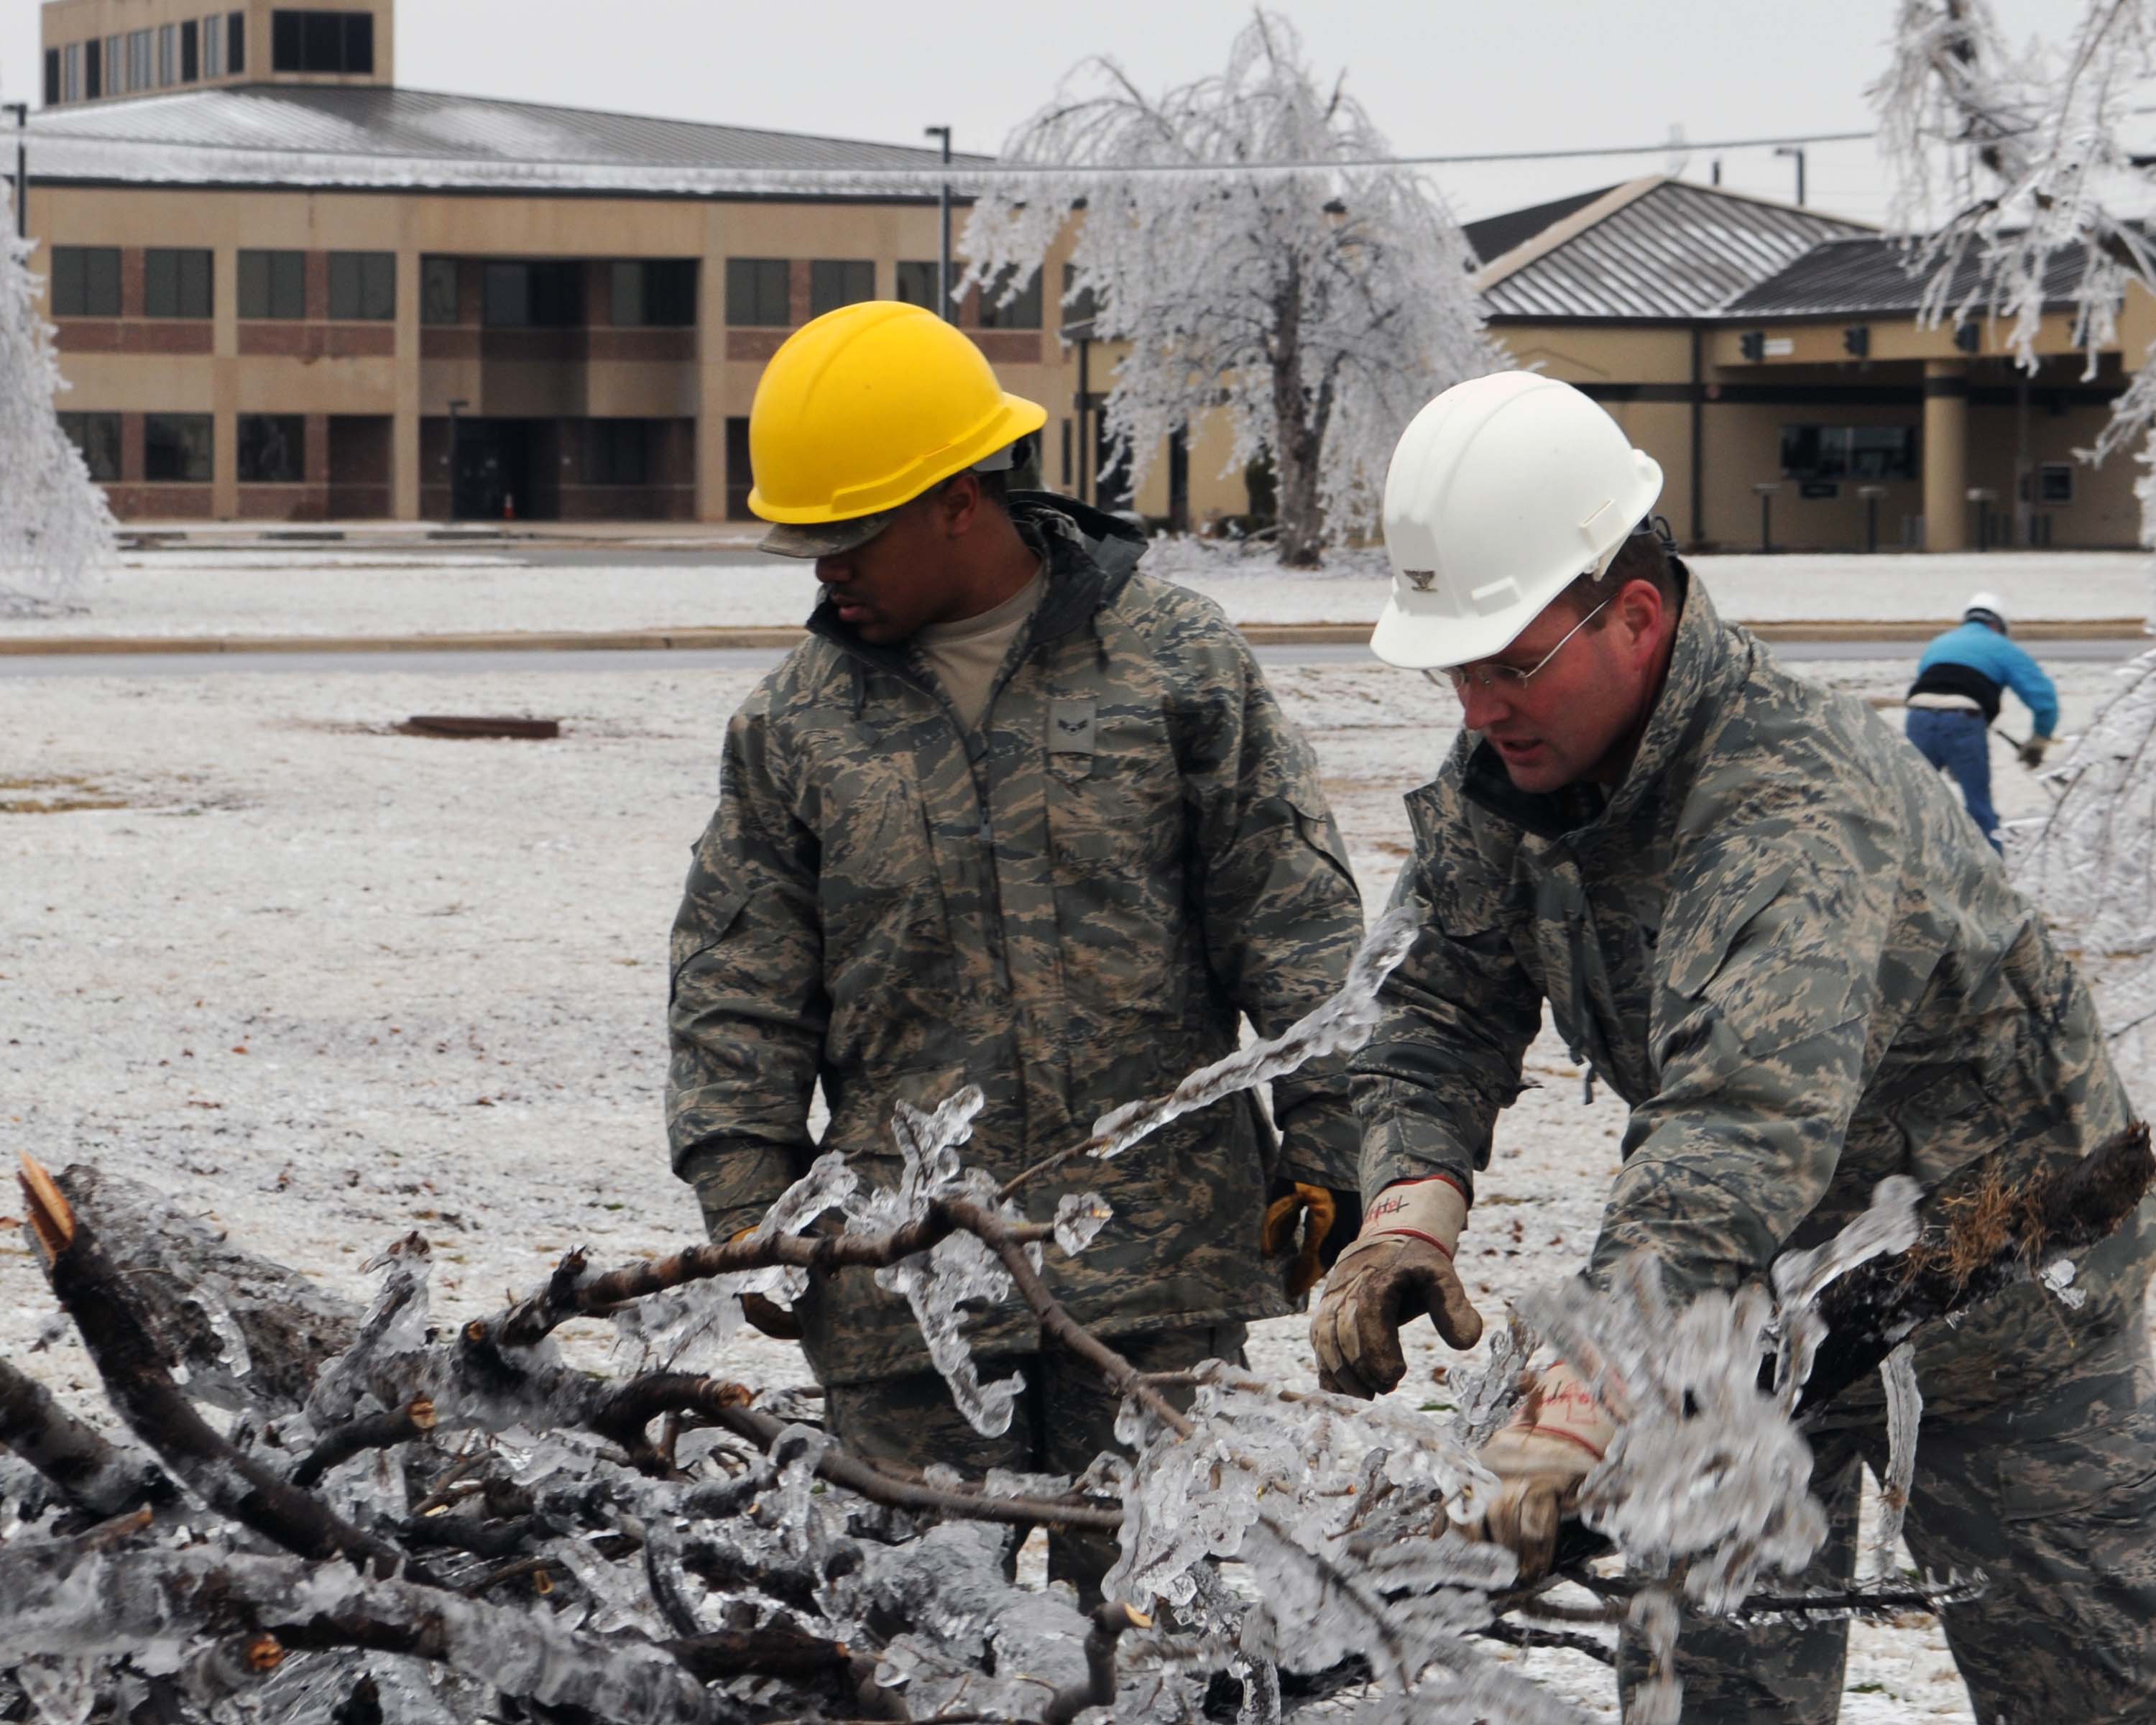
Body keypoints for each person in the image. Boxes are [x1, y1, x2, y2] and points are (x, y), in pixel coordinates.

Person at [1309, 369, 2156, 1722]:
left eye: (1508, 665)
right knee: (1712, 1694)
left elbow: (1738, 1117)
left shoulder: (1790, 797)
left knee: (2088, 1690)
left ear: (1635, 616)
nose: (1476, 707)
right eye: (1453, 668)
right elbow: (1438, 1003)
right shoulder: (1511, 782)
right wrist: (1410, 1212)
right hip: (1739, 1302)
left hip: (1998, 1285)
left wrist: (1586, 1384)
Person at [667, 300, 1367, 1598]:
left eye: (849, 537)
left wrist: (1331, 1141)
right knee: (919, 1653)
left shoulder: (1175, 666)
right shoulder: (793, 729)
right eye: (806, 541)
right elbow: (736, 989)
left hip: (1158, 1275)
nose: (824, 572)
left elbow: (1294, 921)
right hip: (903, 1297)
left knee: (1163, 1643)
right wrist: (745, 1207)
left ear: (957, 500)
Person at [1904, 592, 2060, 851]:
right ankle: (1992, 868)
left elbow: (1935, 689)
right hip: (1963, 720)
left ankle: (1908, 865)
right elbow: (2045, 701)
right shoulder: (2002, 647)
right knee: (1979, 806)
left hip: (1917, 717)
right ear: (1998, 625)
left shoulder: (1941, 643)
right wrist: (2038, 741)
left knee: (1912, 803)